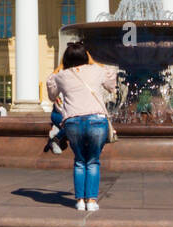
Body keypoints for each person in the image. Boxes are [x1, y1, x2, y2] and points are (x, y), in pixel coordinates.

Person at [45, 42, 118, 212]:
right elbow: (111, 83)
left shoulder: (62, 75)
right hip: (96, 120)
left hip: (73, 122)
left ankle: (79, 201)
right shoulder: (97, 70)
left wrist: (61, 66)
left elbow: (51, 93)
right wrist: (92, 61)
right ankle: (91, 201)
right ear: (87, 56)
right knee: (93, 161)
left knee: (79, 161)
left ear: (66, 59)